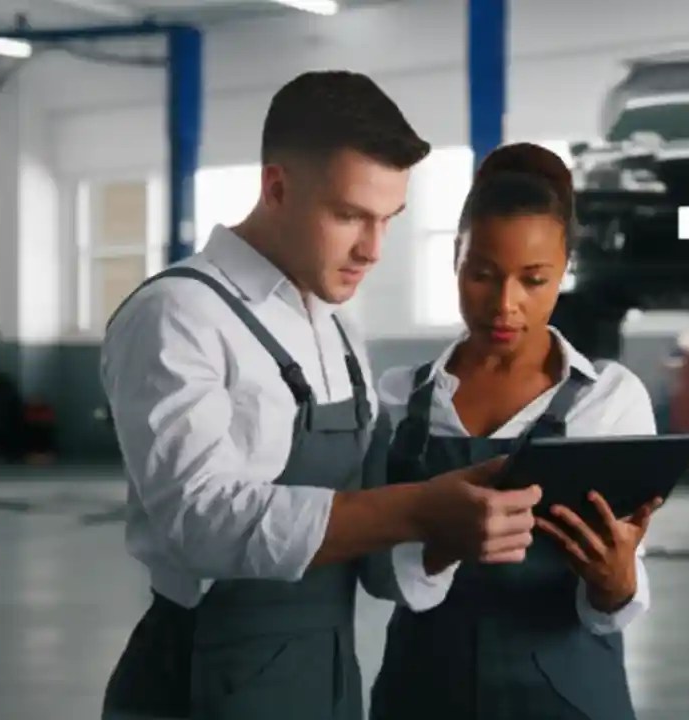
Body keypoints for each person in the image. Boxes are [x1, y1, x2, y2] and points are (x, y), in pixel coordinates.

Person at [99, 71, 544, 720]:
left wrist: (452, 530)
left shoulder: (336, 328)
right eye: (348, 216)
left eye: (389, 221)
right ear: (276, 187)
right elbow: (199, 522)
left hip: (327, 678)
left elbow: (372, 564)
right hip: (203, 685)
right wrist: (420, 508)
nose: (373, 250)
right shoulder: (178, 315)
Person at [367, 143, 661, 720]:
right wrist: (442, 543)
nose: (506, 304)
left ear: (563, 272)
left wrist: (617, 582)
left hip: (570, 698)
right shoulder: (400, 401)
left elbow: (618, 591)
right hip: (421, 697)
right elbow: (379, 576)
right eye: (482, 274)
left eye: (533, 279)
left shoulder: (609, 401)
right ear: (454, 258)